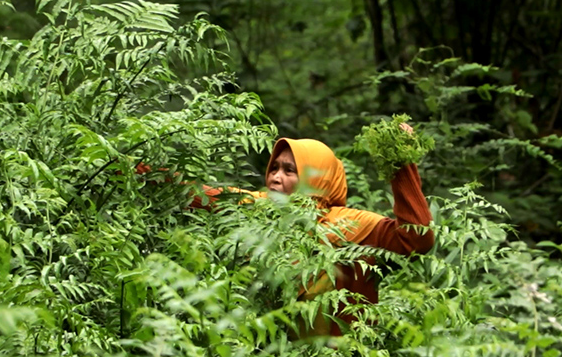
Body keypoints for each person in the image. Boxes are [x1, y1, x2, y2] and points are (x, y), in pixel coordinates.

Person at [183, 125, 434, 337]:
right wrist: (145, 170)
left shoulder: (351, 225)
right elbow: (196, 193)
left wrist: (401, 167)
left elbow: (415, 238)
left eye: (289, 170)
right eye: (274, 168)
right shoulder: (258, 206)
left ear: (317, 178)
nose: (275, 178)